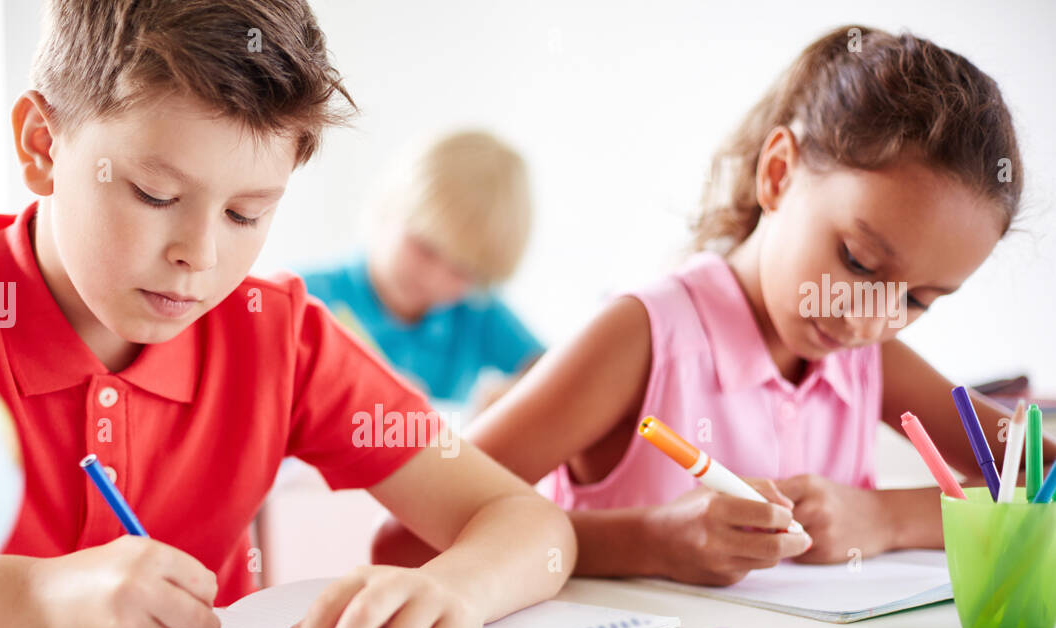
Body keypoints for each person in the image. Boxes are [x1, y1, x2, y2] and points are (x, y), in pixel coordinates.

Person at [0, 0, 575, 628]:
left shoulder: (279, 341)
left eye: (248, 213)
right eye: (153, 194)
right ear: (42, 147)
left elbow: (530, 525)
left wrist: (456, 591)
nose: (200, 254)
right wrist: (36, 602)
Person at [375, 25, 1055, 586]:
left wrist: (884, 517)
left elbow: (1043, 475)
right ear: (779, 173)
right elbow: (405, 541)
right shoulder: (642, 339)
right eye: (858, 261)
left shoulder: (868, 362)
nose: (868, 318)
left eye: (917, 299)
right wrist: (647, 541)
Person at [302, 130, 542, 404]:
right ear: (390, 206)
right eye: (425, 247)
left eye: (462, 271)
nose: (433, 278)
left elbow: (556, 375)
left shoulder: (477, 313)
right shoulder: (304, 298)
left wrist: (511, 401)